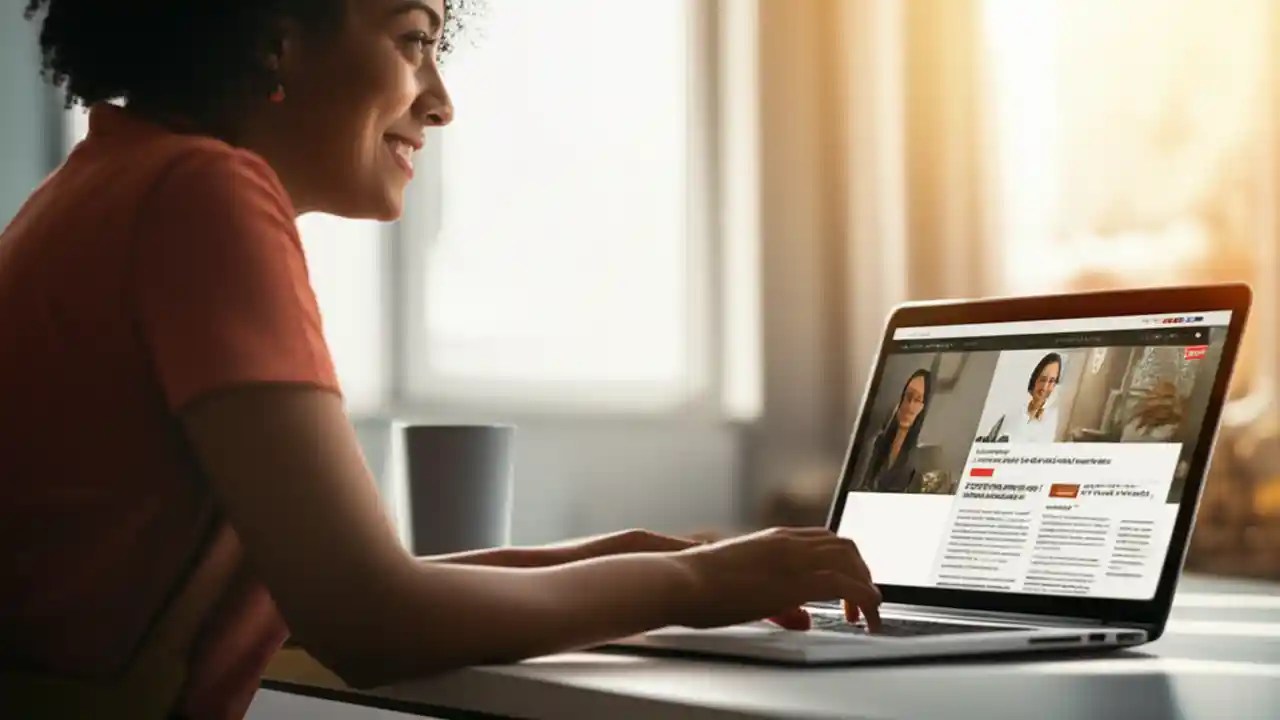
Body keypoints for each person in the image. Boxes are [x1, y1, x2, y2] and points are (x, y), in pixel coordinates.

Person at [0, 2, 881, 718]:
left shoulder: (109, 182)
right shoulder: (203, 196)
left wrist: (611, 560)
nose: (441, 100)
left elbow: (327, 585)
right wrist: (688, 581)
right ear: (275, 39)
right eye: (414, 40)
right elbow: (369, 619)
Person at [857, 370, 932, 493]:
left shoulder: (919, 458)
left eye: (918, 400)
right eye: (908, 396)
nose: (910, 406)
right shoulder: (877, 443)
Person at [996, 352, 1063, 443]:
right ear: (1035, 379)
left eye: (1051, 381)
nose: (1045, 387)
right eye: (1042, 379)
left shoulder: (1051, 418)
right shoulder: (1015, 408)